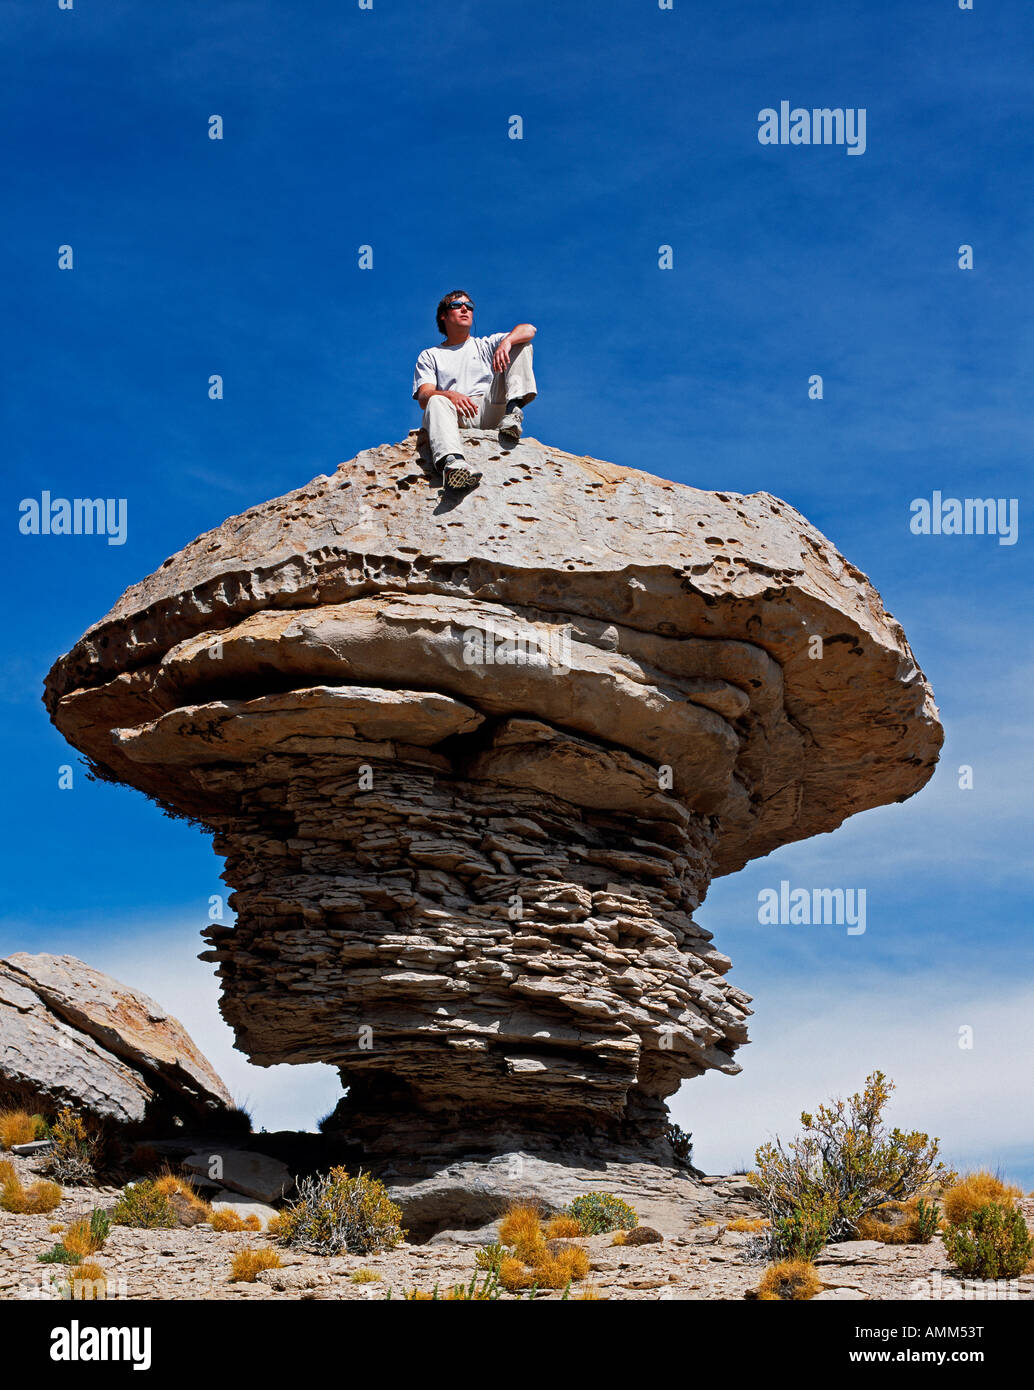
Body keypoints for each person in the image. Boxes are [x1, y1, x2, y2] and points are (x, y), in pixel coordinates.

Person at [412, 291, 537, 490]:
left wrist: (507, 342)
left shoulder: (485, 345)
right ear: (443, 315)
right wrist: (450, 395)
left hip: (490, 407)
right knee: (436, 400)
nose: (465, 309)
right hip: (457, 414)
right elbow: (424, 396)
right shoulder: (430, 355)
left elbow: (529, 329)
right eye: (457, 305)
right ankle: (453, 464)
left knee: (520, 344)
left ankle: (513, 412)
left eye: (469, 306)